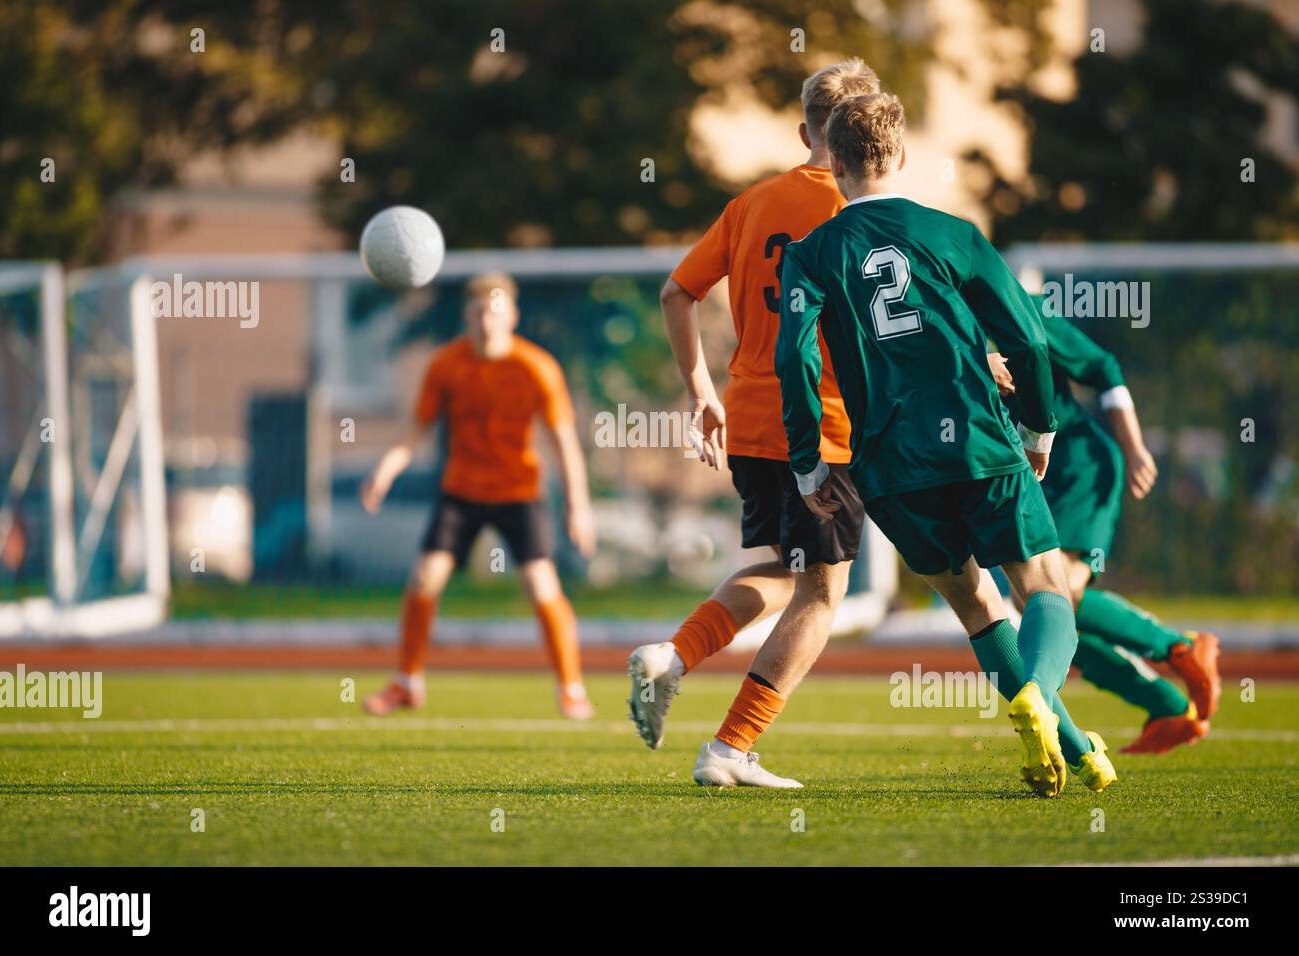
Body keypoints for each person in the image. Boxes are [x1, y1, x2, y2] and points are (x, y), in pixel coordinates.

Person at [776, 92, 1116, 796]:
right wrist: (1040, 425)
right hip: (978, 443)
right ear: (899, 157)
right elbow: (1025, 335)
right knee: (1045, 587)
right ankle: (1039, 701)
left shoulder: (811, 254)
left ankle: (1075, 746)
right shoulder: (951, 231)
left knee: (977, 606)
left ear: (833, 162)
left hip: (890, 467)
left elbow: (794, 360)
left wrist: (808, 461)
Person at [624, 60, 880, 789]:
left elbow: (678, 292)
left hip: (748, 417)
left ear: (805, 130)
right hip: (823, 426)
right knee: (824, 593)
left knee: (789, 570)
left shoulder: (751, 204)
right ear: (870, 133)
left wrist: (702, 390)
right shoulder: (860, 212)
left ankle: (672, 656)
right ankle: (731, 748)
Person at [360, 273, 597, 719]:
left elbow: (565, 443)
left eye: (495, 310)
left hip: (518, 492)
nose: (486, 319)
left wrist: (578, 507)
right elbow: (414, 431)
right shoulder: (446, 365)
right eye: (478, 311)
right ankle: (407, 683)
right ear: (467, 315)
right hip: (462, 491)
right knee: (424, 578)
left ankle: (572, 688)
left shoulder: (537, 367)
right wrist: (386, 469)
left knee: (541, 585)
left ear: (512, 315)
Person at [986, 315, 1220, 754]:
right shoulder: (936, 316)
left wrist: (1132, 446)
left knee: (1058, 595)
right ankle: (1166, 702)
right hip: (1028, 476)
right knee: (1045, 609)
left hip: (1077, 467)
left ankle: (1178, 648)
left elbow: (1103, 367)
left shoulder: (1013, 303)